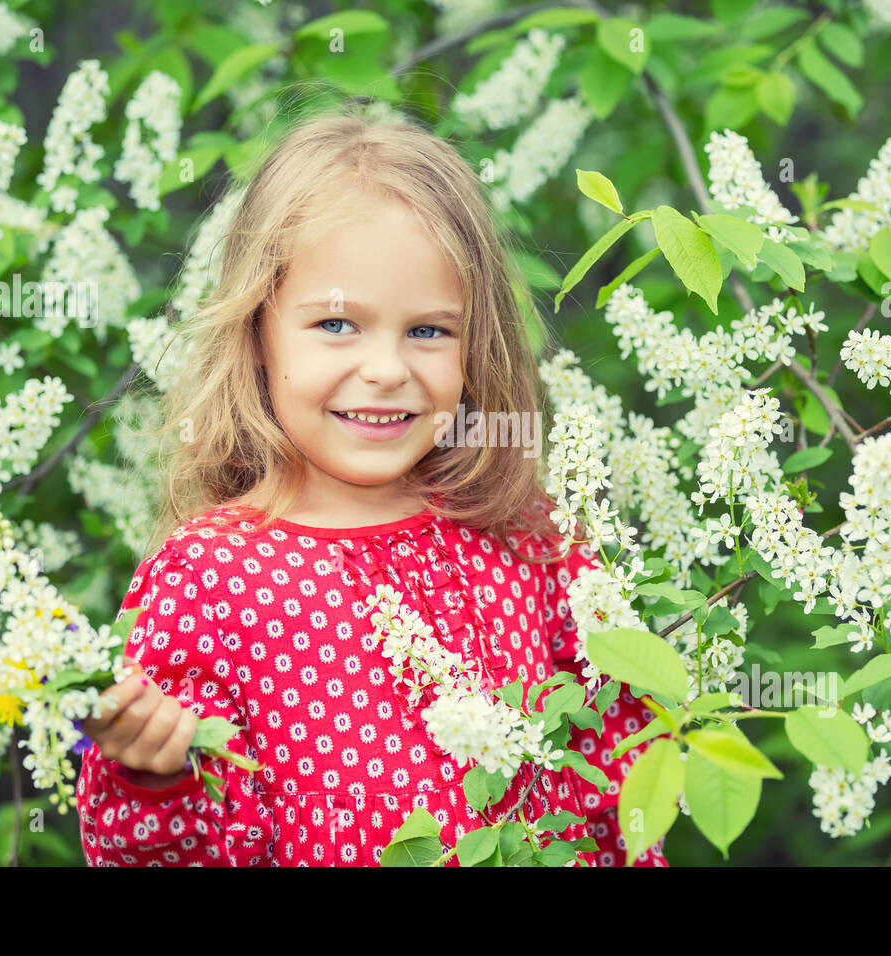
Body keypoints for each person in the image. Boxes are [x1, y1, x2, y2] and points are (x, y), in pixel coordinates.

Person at [76, 105, 669, 867]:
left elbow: (617, 785)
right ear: (258, 329)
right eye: (336, 325)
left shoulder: (526, 539)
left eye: (428, 330)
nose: (387, 369)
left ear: (473, 344)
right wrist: (153, 776)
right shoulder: (212, 579)